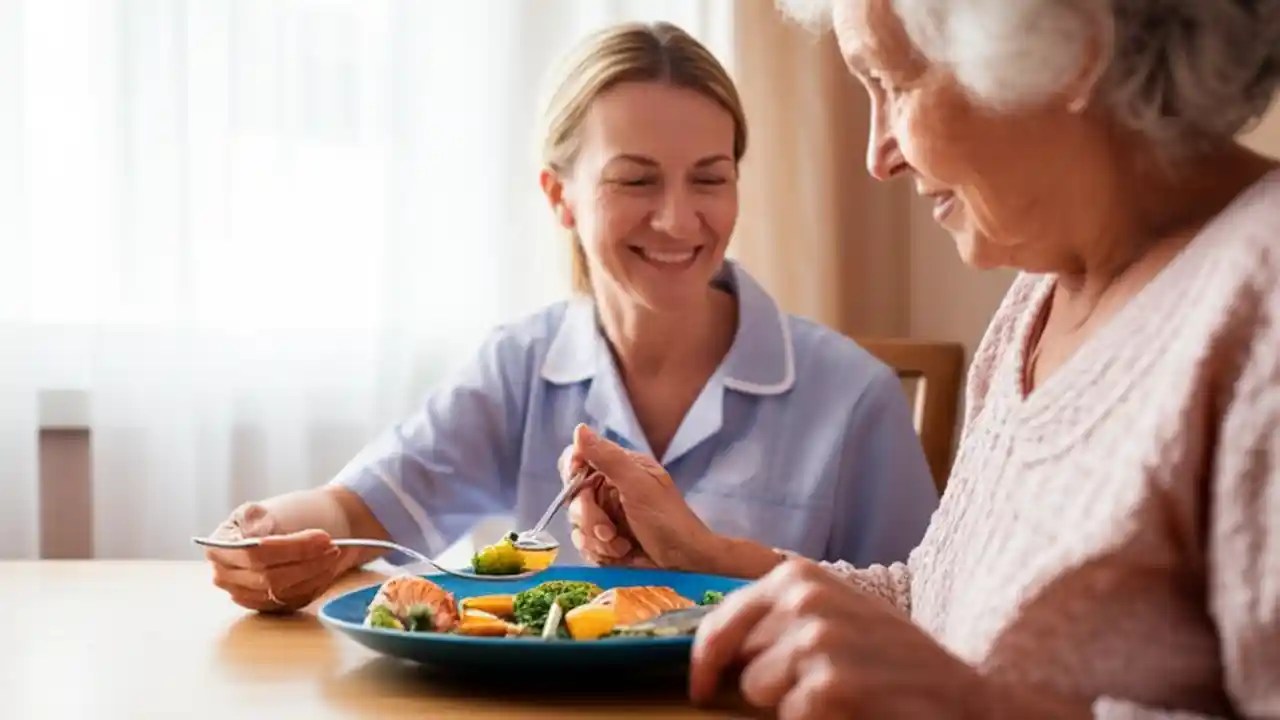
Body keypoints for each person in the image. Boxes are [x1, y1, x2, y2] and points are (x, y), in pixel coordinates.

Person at [558, 0, 1280, 716]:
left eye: (893, 84)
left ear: (1071, 51)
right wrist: (704, 560)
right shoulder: (1040, 298)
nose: (878, 155)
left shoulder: (1261, 297)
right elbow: (939, 606)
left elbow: (964, 687)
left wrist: (974, 710)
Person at [202, 20, 939, 613]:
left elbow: (931, 615)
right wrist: (270, 535)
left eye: (709, 179)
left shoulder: (853, 397)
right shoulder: (518, 367)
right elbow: (361, 511)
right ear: (560, 196)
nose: (678, 219)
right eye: (635, 180)